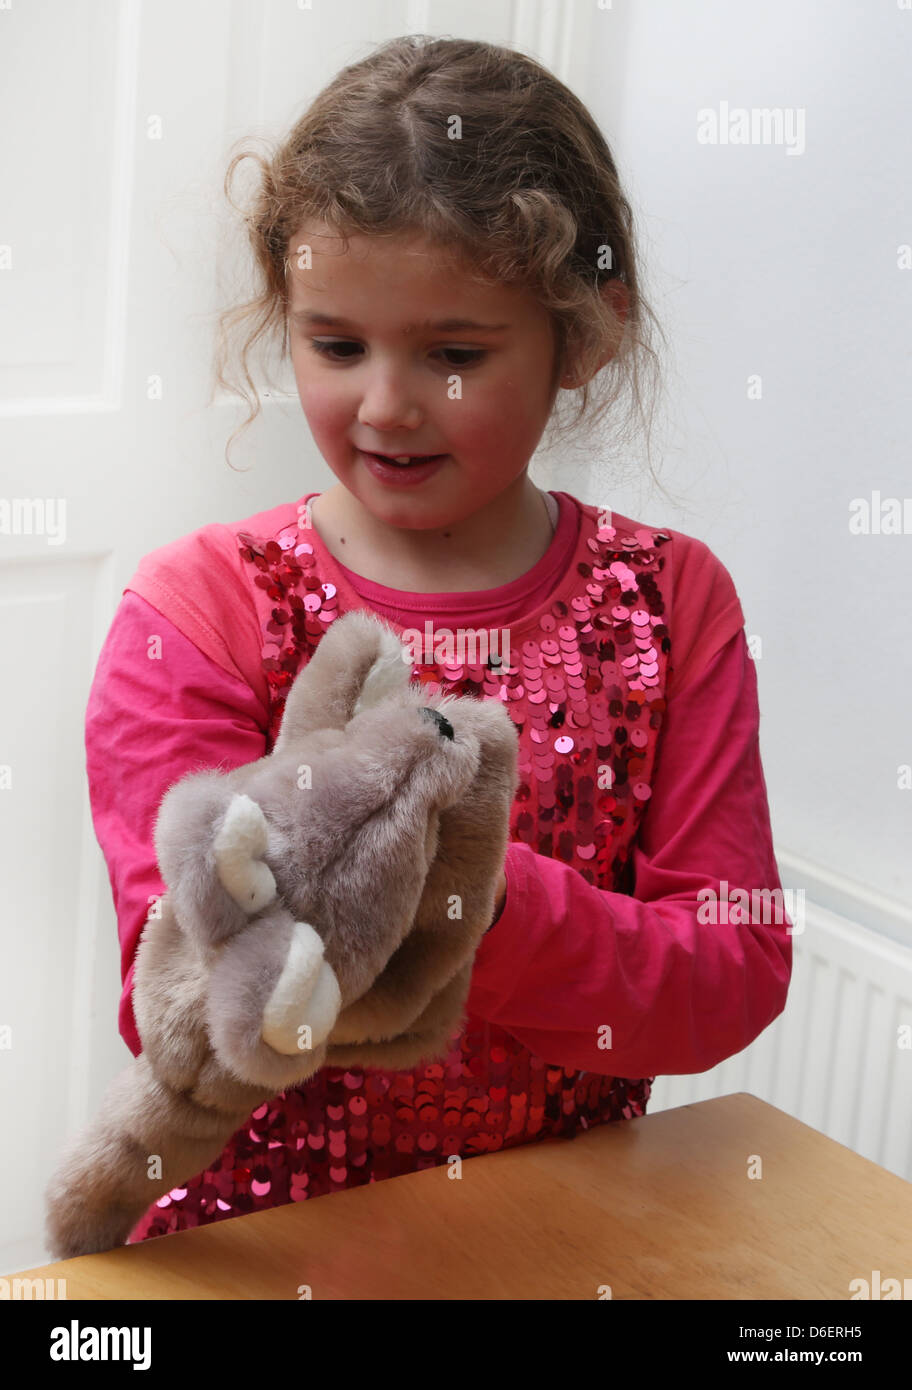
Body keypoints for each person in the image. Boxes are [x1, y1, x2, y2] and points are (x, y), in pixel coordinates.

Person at [83, 35, 791, 1245]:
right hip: (256, 1256)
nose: (388, 404)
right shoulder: (200, 607)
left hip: (565, 1243)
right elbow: (186, 1005)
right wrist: (382, 900)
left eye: (455, 354)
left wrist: (475, 898)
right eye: (336, 343)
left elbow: (725, 979)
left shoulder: (675, 600)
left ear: (587, 333)